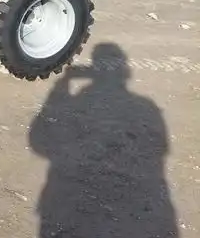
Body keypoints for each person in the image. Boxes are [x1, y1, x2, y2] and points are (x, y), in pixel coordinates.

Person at [30, 43, 179, 237]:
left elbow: (39, 142)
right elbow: (160, 148)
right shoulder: (145, 106)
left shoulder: (84, 100)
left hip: (71, 199)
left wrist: (63, 83)